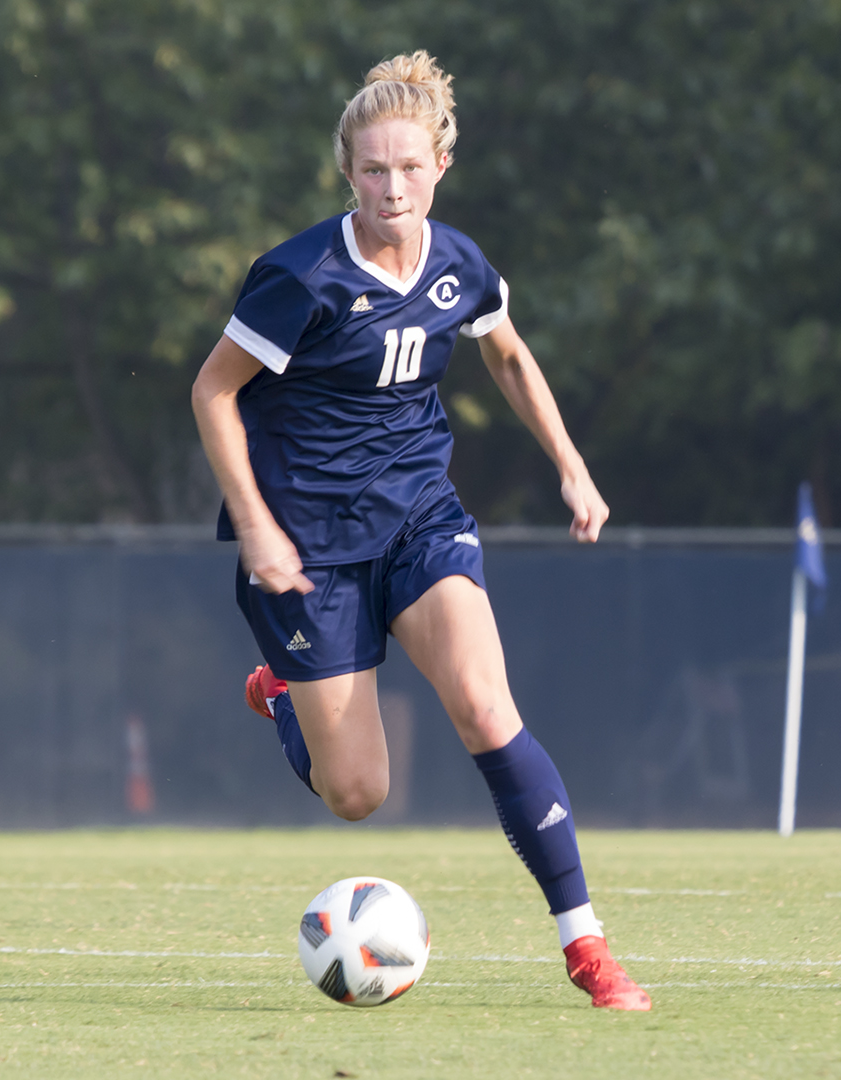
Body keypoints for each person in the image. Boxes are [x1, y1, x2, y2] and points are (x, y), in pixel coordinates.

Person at [190, 51, 650, 1012]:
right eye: (371, 170)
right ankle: (282, 695)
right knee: (358, 794)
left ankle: (587, 946)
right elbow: (212, 390)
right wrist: (256, 526)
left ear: (441, 161)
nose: (391, 187)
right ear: (346, 173)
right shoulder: (300, 277)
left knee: (486, 706)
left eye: (408, 167)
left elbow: (511, 357)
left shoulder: (459, 262)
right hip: (306, 547)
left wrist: (571, 463)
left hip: (419, 520)